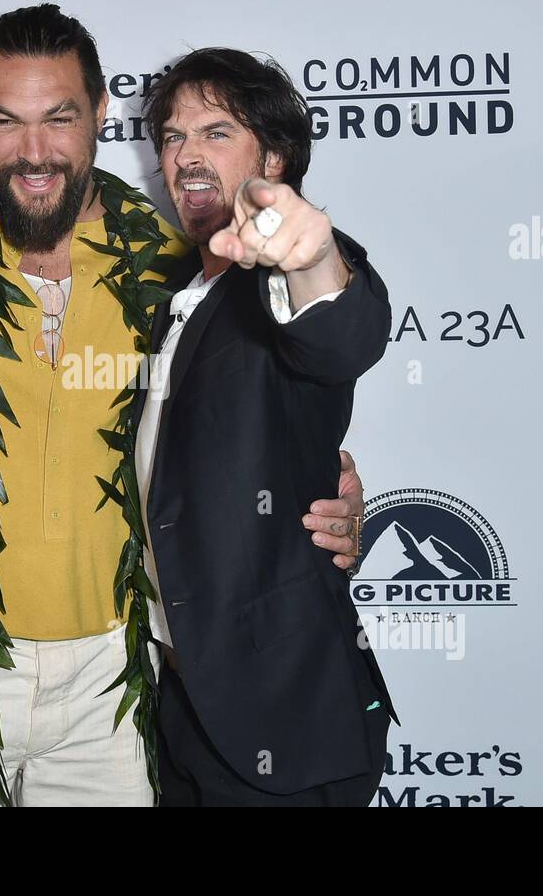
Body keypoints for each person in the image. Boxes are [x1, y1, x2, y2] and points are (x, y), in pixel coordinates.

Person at [0, 5, 368, 807]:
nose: (34, 151)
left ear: (101, 114)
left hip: (113, 679)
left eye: (60, 118)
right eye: (7, 121)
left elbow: (270, 408)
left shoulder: (172, 261)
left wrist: (329, 492)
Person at [135, 47, 399, 806]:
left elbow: (343, 333)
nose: (187, 154)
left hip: (281, 718)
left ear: (274, 158)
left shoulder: (281, 279)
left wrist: (310, 255)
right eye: (174, 137)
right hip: (175, 711)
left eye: (217, 133)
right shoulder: (170, 295)